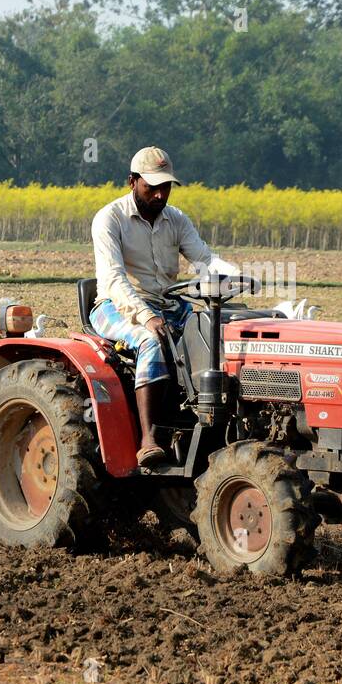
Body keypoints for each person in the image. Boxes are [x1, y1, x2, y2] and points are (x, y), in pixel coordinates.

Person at [89, 146, 231, 465]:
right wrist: (146, 316)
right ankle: (148, 438)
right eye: (151, 186)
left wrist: (234, 277)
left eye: (164, 186)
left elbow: (204, 259)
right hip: (117, 306)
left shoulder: (176, 220)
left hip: (168, 304)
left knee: (213, 335)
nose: (159, 195)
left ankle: (207, 421)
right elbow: (113, 279)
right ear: (132, 182)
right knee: (151, 341)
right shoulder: (110, 219)